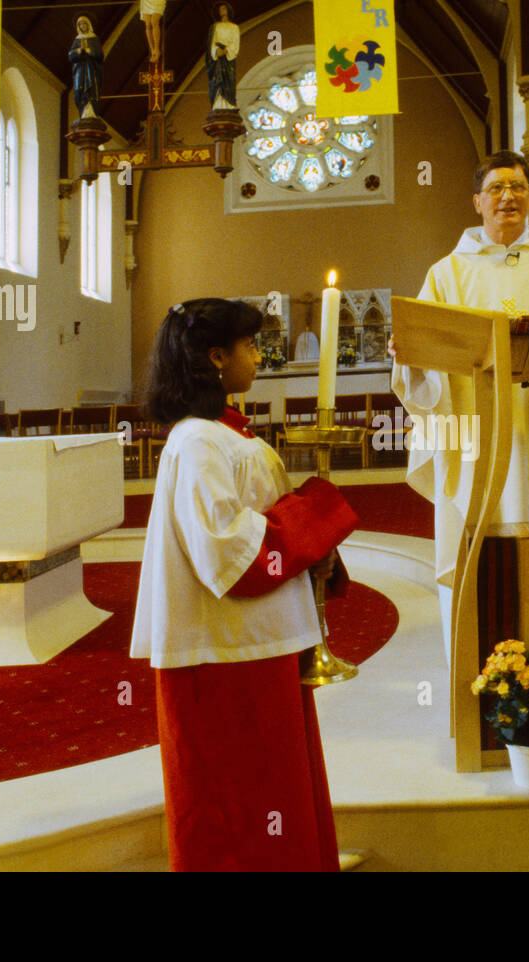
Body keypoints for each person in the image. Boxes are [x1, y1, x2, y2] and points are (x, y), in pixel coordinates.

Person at [130, 298, 359, 872]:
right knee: (238, 806)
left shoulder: (228, 437)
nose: (259, 357)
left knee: (277, 793)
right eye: (251, 346)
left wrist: (316, 553)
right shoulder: (197, 442)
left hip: (255, 646)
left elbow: (264, 530)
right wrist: (316, 515)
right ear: (215, 357)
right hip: (223, 656)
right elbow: (229, 556)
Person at [390, 150, 529, 662]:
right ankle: (480, 674)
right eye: (495, 188)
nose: (507, 197)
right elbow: (422, 354)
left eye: (517, 187)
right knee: (481, 543)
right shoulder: (447, 273)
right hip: (477, 442)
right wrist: (411, 356)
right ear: (477, 202)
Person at [69, 15, 104, 120]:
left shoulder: (94, 39)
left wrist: (89, 50)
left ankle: (92, 112)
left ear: (88, 25)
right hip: (80, 70)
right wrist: (79, 51)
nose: (82, 26)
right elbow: (71, 56)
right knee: (78, 91)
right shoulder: (77, 40)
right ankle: (82, 112)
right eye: (80, 24)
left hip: (91, 70)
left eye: (84, 24)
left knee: (91, 90)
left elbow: (100, 55)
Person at [206, 3, 240, 110]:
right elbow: (212, 42)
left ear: (228, 10)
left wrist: (226, 50)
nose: (222, 10)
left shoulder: (234, 27)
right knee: (217, 79)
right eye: (220, 9)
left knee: (228, 79)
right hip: (217, 57)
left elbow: (235, 43)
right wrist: (216, 51)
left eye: (224, 8)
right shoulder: (215, 26)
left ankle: (229, 104)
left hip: (228, 57)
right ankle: (218, 104)